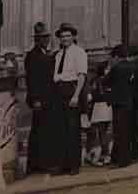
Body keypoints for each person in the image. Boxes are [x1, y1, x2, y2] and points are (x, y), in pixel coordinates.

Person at [50, 22, 87, 176]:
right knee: (60, 130)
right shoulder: (58, 54)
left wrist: (76, 95)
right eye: (62, 36)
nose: (65, 38)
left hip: (71, 90)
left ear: (73, 36)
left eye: (67, 35)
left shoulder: (79, 52)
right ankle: (62, 165)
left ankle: (74, 165)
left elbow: (82, 76)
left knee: (72, 130)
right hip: (59, 91)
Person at [24, 22, 56, 174]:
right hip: (40, 100)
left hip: (47, 99)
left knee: (44, 130)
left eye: (47, 37)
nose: (46, 40)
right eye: (43, 37)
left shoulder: (45, 53)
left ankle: (39, 162)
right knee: (40, 131)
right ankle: (39, 164)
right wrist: (36, 99)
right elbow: (33, 79)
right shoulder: (33, 56)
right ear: (37, 39)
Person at [102, 44, 134, 167]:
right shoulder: (131, 66)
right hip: (128, 101)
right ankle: (126, 159)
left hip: (118, 103)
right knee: (125, 131)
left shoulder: (116, 68)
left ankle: (119, 160)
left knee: (118, 132)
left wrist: (108, 70)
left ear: (116, 56)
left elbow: (105, 81)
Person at [84, 61, 113, 167]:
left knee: (100, 132)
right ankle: (105, 154)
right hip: (104, 107)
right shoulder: (104, 80)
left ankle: (98, 154)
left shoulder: (95, 80)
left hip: (99, 107)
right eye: (107, 68)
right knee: (103, 132)